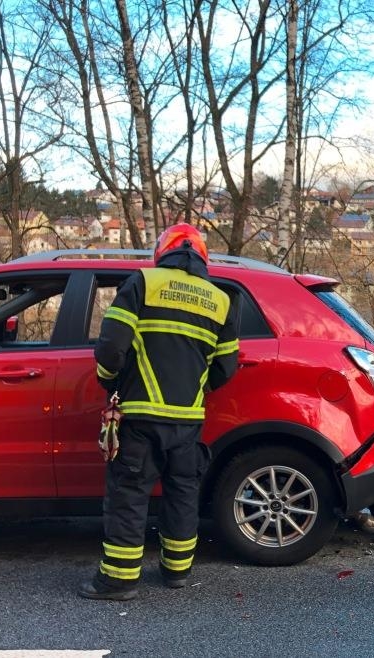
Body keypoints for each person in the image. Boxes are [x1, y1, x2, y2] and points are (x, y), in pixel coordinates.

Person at [79, 223, 240, 601]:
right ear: (202, 256)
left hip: (140, 417)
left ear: (162, 251)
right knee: (182, 492)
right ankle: (176, 571)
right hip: (187, 422)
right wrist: (195, 390)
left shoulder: (143, 283)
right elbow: (226, 367)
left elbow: (110, 349)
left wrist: (110, 383)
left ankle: (118, 580)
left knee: (129, 493)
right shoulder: (220, 300)